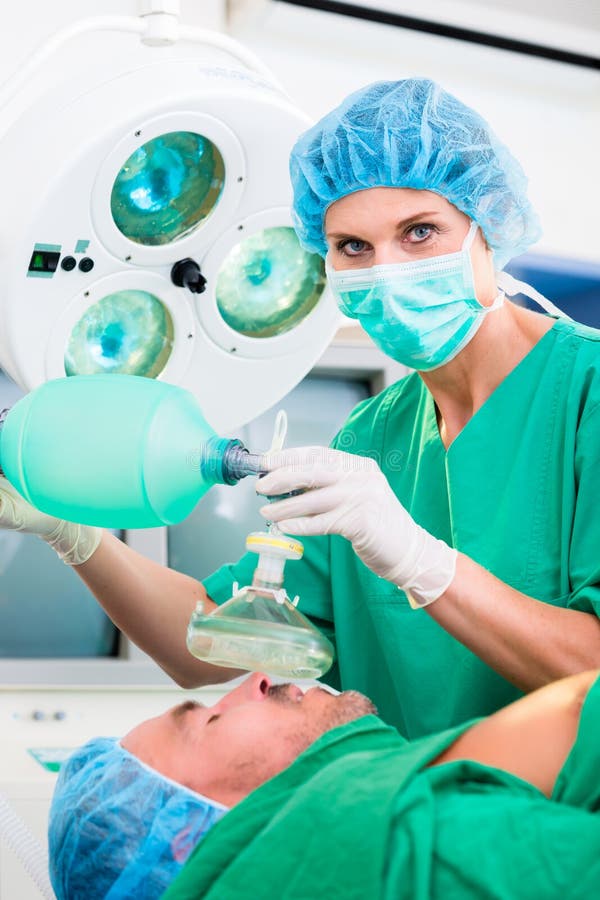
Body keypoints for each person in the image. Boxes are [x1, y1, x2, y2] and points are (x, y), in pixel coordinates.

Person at [2, 78, 600, 736]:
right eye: (353, 248)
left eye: (420, 232)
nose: (388, 269)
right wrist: (71, 534)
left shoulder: (586, 391)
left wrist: (420, 561)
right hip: (418, 827)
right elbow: (209, 640)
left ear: (489, 223)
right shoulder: (369, 438)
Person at [49, 669, 600, 899]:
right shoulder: (394, 853)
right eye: (210, 719)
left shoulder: (368, 810)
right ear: (186, 839)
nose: (257, 679)